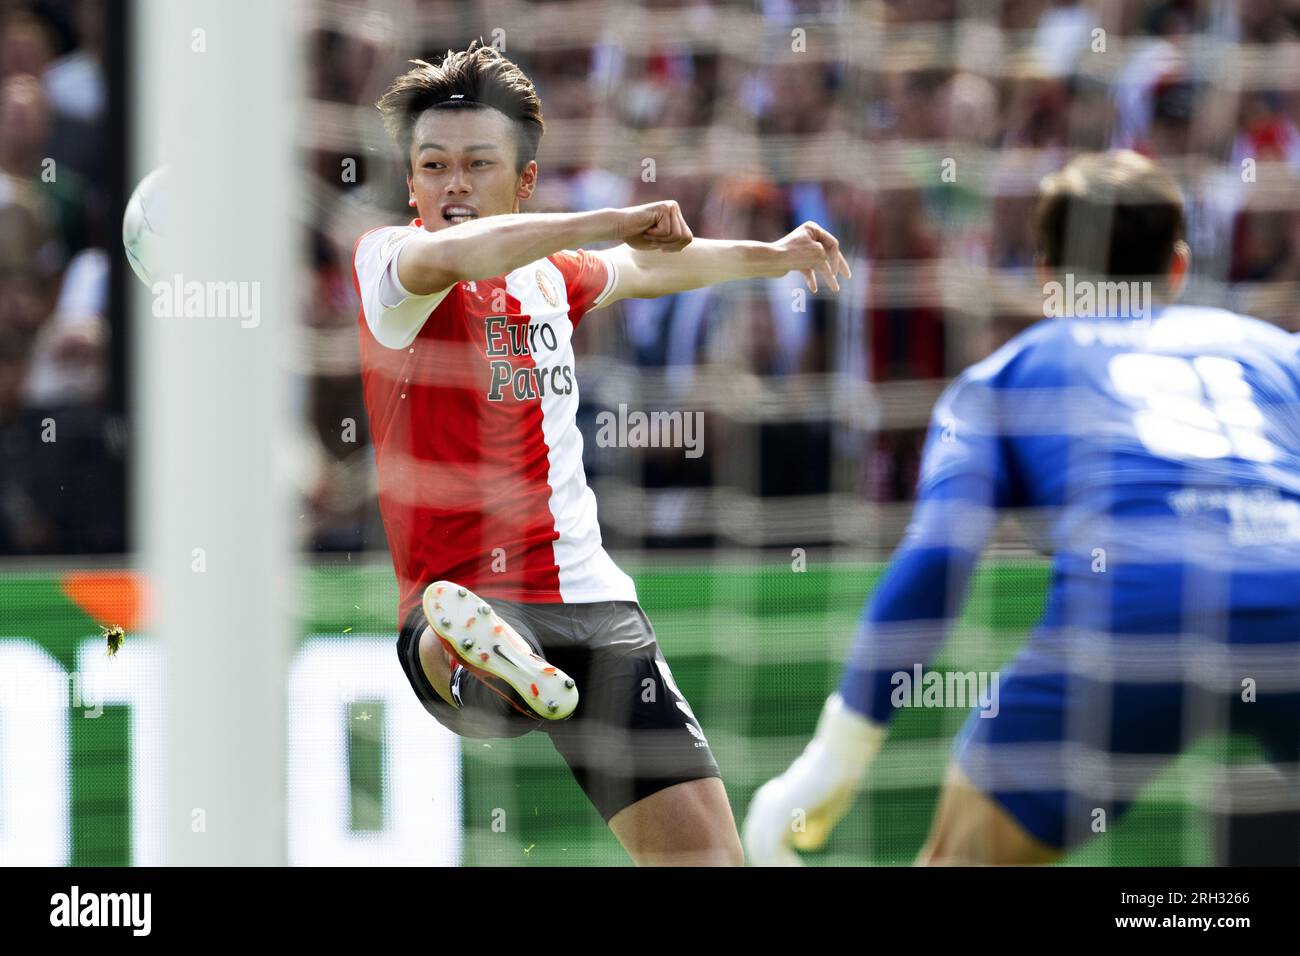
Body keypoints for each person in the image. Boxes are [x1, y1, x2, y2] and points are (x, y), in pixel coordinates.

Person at [353, 41, 850, 866]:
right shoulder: (391, 265)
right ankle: (473, 655)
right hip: (474, 587)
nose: (452, 186)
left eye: (477, 165)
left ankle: (506, 665)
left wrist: (772, 257)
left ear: (524, 183)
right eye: (432, 166)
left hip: (595, 604)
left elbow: (648, 269)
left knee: (711, 861)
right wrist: (614, 217)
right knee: (465, 641)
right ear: (410, 183)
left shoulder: (550, 276)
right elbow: (459, 252)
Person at [743, 149, 1300, 865]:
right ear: (1181, 267)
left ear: (1046, 279)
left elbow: (939, 558)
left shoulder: (1002, 379)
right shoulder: (1275, 355)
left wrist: (834, 761)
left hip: (1129, 613)